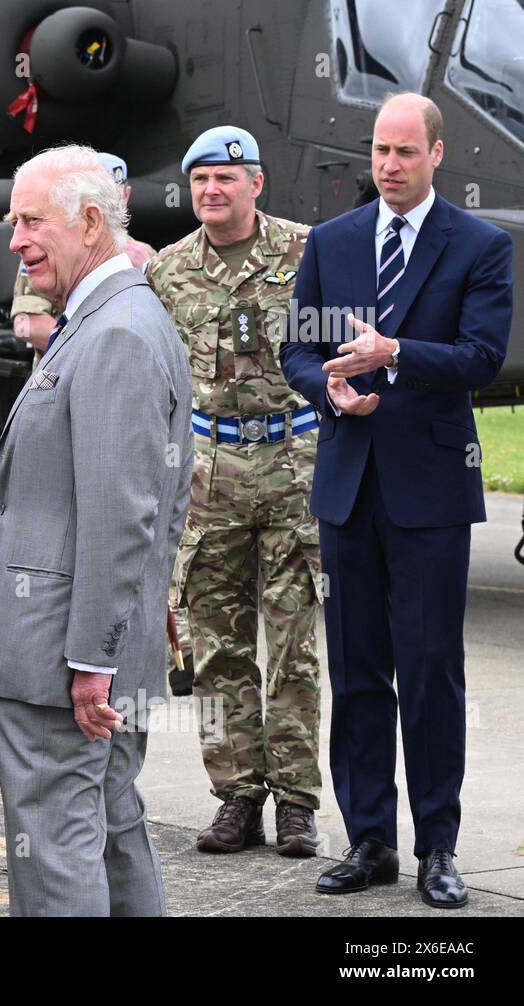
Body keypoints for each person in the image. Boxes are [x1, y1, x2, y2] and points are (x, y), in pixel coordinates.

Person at [281, 93, 513, 909]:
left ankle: (437, 849)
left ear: (438, 155)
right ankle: (370, 839)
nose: (389, 165)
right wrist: (330, 391)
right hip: (348, 489)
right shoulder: (335, 243)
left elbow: (482, 357)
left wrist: (396, 353)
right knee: (357, 674)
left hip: (431, 493)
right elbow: (298, 350)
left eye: (406, 152)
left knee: (430, 675)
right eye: (381, 150)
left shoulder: (481, 246)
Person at [0, 145, 191, 916]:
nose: (16, 240)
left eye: (31, 221)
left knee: (59, 847)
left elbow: (123, 512)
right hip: (86, 650)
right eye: (12, 222)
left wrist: (91, 659)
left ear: (91, 222)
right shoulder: (106, 319)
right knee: (109, 823)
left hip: (65, 660)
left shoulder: (118, 333)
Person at [146, 126, 324, 857]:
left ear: (256, 182)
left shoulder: (309, 253)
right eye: (200, 181)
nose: (212, 191)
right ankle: (236, 798)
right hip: (209, 470)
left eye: (226, 177)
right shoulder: (167, 271)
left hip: (293, 464)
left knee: (293, 649)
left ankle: (297, 805)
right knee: (216, 647)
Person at [11, 151, 154, 360]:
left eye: (114, 193)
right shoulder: (47, 254)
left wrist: (148, 269)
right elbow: (26, 323)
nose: (16, 243)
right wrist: (89, 351)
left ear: (126, 195)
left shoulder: (146, 255)